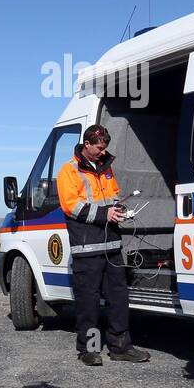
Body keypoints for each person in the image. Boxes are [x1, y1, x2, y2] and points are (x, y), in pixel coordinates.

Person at [56, 125, 151, 366]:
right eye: (99, 147)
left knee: (118, 299)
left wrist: (119, 209)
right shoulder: (69, 170)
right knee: (88, 302)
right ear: (86, 144)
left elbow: (114, 196)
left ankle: (120, 347)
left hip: (111, 246)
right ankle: (88, 350)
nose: (102, 151)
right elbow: (71, 206)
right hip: (87, 248)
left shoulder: (106, 170)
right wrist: (104, 215)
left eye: (105, 147)